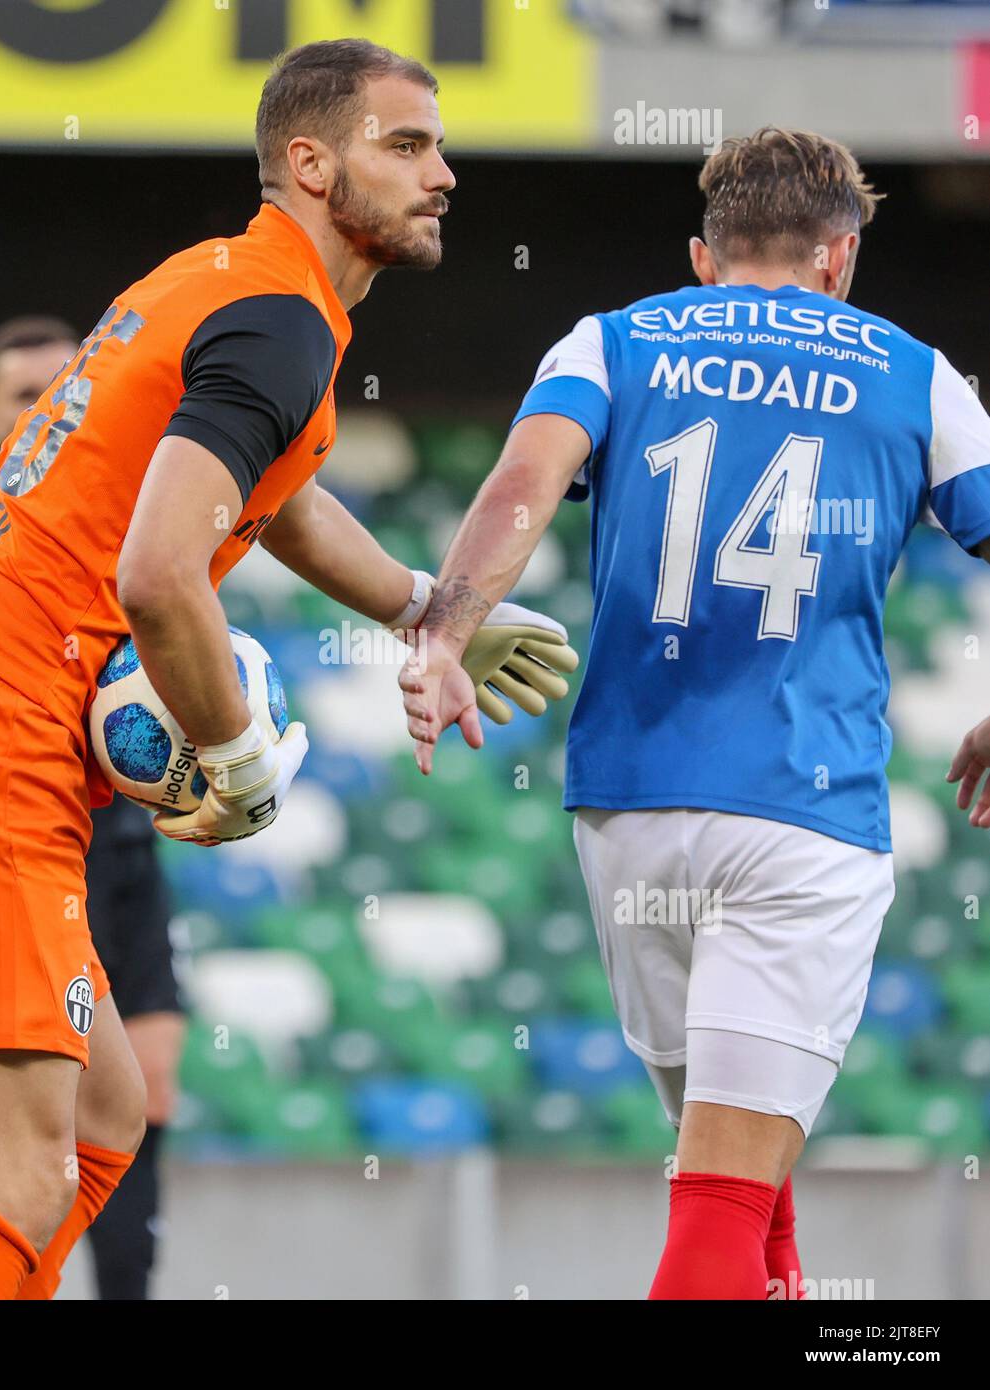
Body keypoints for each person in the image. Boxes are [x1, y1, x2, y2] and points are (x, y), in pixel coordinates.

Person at [0, 37, 575, 1300]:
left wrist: (425, 607)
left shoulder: (227, 287)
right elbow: (162, 575)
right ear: (311, 162)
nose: (444, 174)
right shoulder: (281, 320)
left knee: (107, 1117)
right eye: (408, 145)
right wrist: (238, 766)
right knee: (18, 1176)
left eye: (440, 145)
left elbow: (276, 498)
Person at [399, 126, 990, 1299]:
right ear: (842, 256)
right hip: (800, 810)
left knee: (737, 1171)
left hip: (628, 812)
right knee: (723, 1193)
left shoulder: (615, 340)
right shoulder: (915, 372)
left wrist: (443, 636)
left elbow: (521, 486)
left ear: (702, 256)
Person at [0, 316, 187, 1300]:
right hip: (25, 857)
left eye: (59, 388)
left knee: (143, 1103)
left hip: (124, 860)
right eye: (23, 394)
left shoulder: (128, 529)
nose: (43, 408)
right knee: (40, 1129)